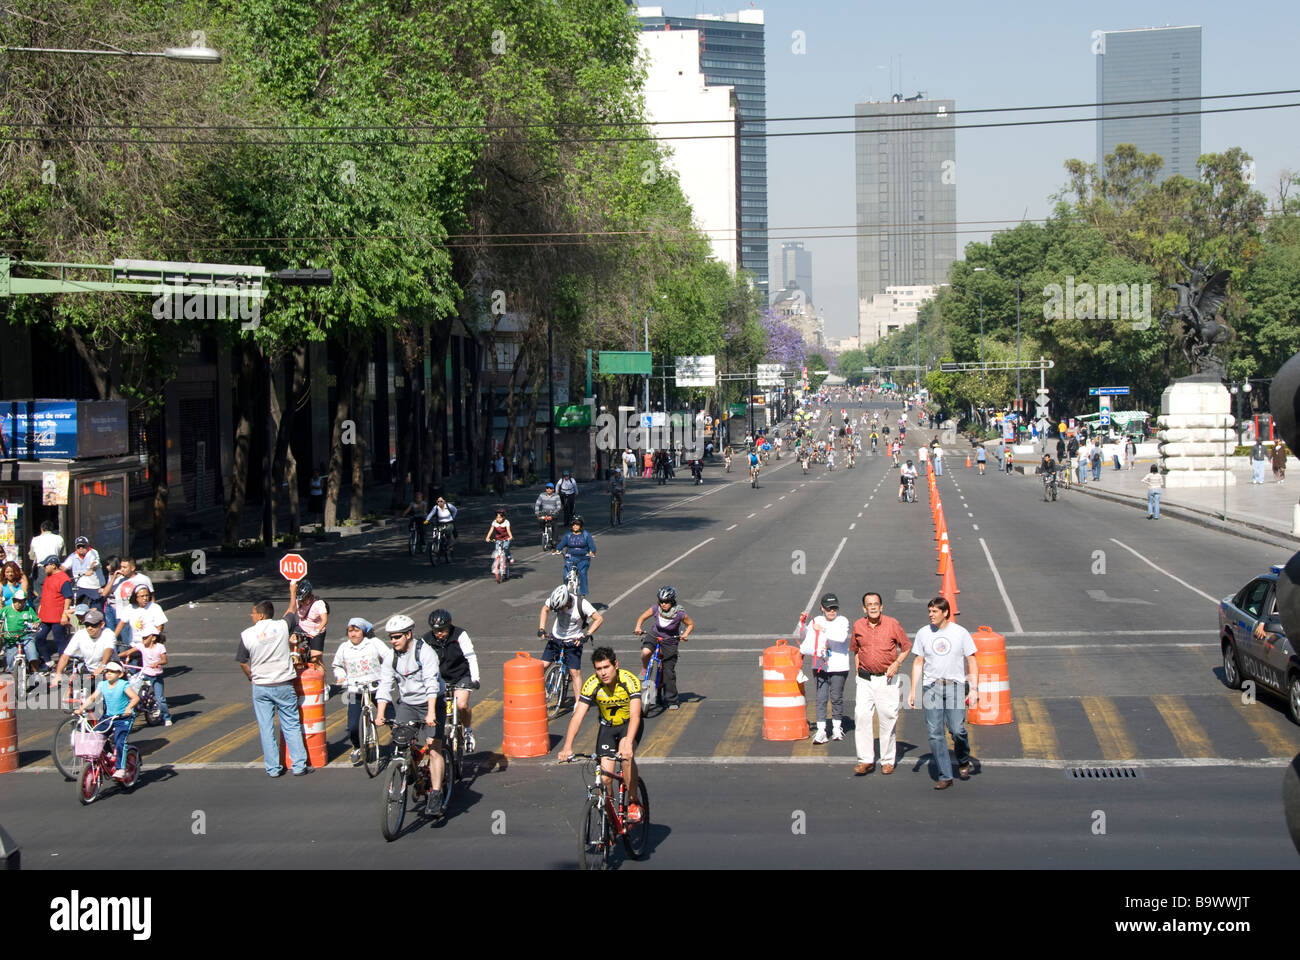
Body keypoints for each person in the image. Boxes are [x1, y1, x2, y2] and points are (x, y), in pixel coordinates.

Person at [557, 647, 644, 824]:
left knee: (626, 756)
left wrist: (628, 743)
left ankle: (633, 801)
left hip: (629, 724)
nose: (603, 673)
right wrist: (567, 746)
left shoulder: (629, 680)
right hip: (607, 728)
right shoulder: (592, 684)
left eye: (606, 667)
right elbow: (578, 716)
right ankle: (610, 815)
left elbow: (636, 715)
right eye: (598, 669)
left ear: (615, 665)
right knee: (605, 778)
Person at [375, 613, 446, 815]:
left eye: (397, 636)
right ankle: (413, 769)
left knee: (434, 748)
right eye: (391, 637)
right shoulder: (391, 656)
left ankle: (436, 794)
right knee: (399, 739)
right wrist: (380, 714)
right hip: (408, 703)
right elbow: (385, 685)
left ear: (408, 634)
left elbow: (432, 684)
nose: (393, 641)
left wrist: (431, 713)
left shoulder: (425, 653)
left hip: (431, 701)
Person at [907, 596, 977, 789]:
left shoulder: (960, 633)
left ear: (945, 612)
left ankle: (963, 759)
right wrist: (913, 690)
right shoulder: (923, 633)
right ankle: (945, 775)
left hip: (955, 686)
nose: (931, 615)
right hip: (932, 687)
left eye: (935, 611)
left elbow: (971, 660)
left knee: (957, 729)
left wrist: (975, 689)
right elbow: (918, 662)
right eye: (929, 611)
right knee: (935, 733)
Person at [238, 599, 311, 777]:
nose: (251, 615)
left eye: (253, 612)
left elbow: (242, 661)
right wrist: (292, 591)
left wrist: (251, 676)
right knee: (291, 724)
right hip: (283, 684)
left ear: (261, 615)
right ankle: (299, 765)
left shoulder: (247, 634)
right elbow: (292, 612)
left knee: (266, 727)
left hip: (261, 686)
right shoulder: (282, 626)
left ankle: (273, 768)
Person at [850, 592, 912, 775]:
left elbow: (906, 646)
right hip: (865, 680)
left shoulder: (892, 624)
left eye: (876, 604)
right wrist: (857, 670)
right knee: (861, 717)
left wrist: (897, 663)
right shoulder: (858, 625)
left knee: (888, 719)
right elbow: (855, 649)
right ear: (864, 608)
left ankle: (887, 760)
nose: (873, 607)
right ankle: (865, 760)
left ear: (882, 607)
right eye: (869, 604)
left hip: (887, 679)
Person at [330, 617, 391, 765]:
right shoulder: (344, 647)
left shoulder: (374, 643)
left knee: (391, 718)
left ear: (363, 632)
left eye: (357, 631)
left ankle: (400, 746)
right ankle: (357, 746)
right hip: (353, 690)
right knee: (352, 726)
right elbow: (337, 665)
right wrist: (341, 676)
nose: (353, 634)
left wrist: (386, 675)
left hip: (376, 688)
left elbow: (389, 658)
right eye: (350, 631)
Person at [423, 609, 480, 752]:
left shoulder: (460, 635)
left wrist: (475, 679)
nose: (439, 633)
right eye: (436, 630)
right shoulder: (426, 640)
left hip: (460, 676)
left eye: (442, 630)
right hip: (439, 679)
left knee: (461, 705)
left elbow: (471, 657)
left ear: (449, 626)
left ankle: (467, 731)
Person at [73, 659, 139, 780]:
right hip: (109, 717)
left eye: (112, 672)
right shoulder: (102, 685)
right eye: (107, 671)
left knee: (120, 741)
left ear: (120, 674)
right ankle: (108, 755)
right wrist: (81, 708)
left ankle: (121, 768)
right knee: (96, 735)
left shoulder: (123, 685)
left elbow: (135, 698)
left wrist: (129, 708)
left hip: (123, 718)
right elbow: (92, 698)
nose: (108, 673)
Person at [539, 584, 603, 705]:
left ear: (567, 601)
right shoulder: (555, 600)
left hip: (574, 641)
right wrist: (542, 629)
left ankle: (578, 704)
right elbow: (544, 609)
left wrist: (587, 635)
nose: (560, 611)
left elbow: (598, 618)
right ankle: (542, 690)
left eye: (562, 608)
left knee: (574, 673)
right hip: (556, 638)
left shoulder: (582, 604)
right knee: (541, 666)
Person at [799, 593, 851, 743]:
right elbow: (805, 637)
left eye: (834, 608)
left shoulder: (842, 620)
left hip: (839, 665)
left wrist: (823, 630)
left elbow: (841, 637)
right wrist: (802, 623)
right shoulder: (816, 620)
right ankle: (821, 730)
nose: (832, 611)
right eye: (829, 608)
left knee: (836, 697)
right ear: (822, 608)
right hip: (820, 665)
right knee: (821, 698)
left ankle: (836, 728)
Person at [633, 585, 694, 710]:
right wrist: (638, 627)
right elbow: (642, 617)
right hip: (654, 634)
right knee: (645, 652)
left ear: (672, 601)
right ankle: (645, 669)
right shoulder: (656, 609)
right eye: (661, 601)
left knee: (668, 672)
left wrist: (685, 634)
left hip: (670, 640)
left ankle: (672, 700)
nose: (663, 604)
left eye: (666, 602)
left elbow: (690, 624)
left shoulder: (680, 613)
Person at [120, 622, 171, 726]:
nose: (143, 640)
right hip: (145, 673)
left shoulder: (160, 647)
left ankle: (166, 717)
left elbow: (165, 660)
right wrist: (116, 657)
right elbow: (127, 652)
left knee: (160, 699)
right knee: (133, 687)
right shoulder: (141, 646)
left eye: (145, 638)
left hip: (157, 676)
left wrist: (157, 663)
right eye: (142, 638)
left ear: (153, 638)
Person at [33, 555, 74, 672]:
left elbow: (68, 597)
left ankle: (62, 665)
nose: (44, 567)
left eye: (46, 565)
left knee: (59, 640)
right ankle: (47, 661)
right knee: (39, 637)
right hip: (45, 616)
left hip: (57, 615)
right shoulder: (48, 577)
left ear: (53, 565)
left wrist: (65, 614)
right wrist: (39, 613)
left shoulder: (63, 579)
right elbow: (44, 596)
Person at [54, 608, 116, 683]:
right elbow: (65, 656)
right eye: (87, 625)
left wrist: (102, 666)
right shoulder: (80, 634)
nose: (89, 628)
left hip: (109, 671)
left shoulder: (108, 633)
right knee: (75, 687)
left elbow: (108, 650)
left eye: (93, 625)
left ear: (102, 624)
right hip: (89, 670)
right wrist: (58, 674)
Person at [105, 557, 152, 649]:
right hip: (122, 617)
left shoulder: (143, 579)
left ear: (132, 568)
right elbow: (105, 593)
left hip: (137, 617)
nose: (122, 569)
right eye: (121, 567)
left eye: (125, 567)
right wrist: (114, 577)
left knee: (133, 644)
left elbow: (151, 598)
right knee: (122, 643)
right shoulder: (119, 580)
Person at [285, 579, 326, 665]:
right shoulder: (298, 601)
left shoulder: (319, 604)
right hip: (302, 628)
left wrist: (317, 631)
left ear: (309, 596)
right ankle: (295, 660)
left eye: (304, 600)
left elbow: (324, 620)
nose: (302, 602)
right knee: (292, 640)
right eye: (300, 600)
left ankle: (321, 674)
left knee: (316, 659)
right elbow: (290, 611)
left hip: (316, 631)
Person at [1, 589, 40, 675]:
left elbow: (36, 620)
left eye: (20, 601)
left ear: (25, 601)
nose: (18, 603)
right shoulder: (6, 610)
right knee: (10, 659)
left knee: (33, 655)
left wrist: (36, 624)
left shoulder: (29, 609)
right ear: (13, 600)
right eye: (15, 601)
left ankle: (36, 674)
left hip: (25, 637)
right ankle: (14, 676)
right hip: (10, 638)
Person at [558, 516, 596, 596]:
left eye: (577, 524)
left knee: (582, 573)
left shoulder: (586, 535)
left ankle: (583, 593)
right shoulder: (568, 535)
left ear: (581, 526)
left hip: (583, 558)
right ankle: (564, 592)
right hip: (570, 558)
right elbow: (561, 545)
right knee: (565, 575)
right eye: (573, 524)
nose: (575, 526)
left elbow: (592, 546)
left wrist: (592, 552)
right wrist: (557, 550)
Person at [62, 536, 103, 610]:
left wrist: (91, 569)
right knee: (75, 605)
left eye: (83, 546)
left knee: (96, 608)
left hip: (93, 586)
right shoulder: (73, 556)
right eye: (78, 546)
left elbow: (95, 563)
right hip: (79, 585)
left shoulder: (93, 552)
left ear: (87, 546)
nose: (81, 548)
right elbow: (63, 567)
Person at [28, 520, 64, 596]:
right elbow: (62, 554)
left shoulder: (35, 539)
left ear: (41, 529)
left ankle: (40, 607)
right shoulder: (59, 538)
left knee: (40, 594)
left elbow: (32, 557)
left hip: (41, 569)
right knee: (55, 592)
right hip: (55, 568)